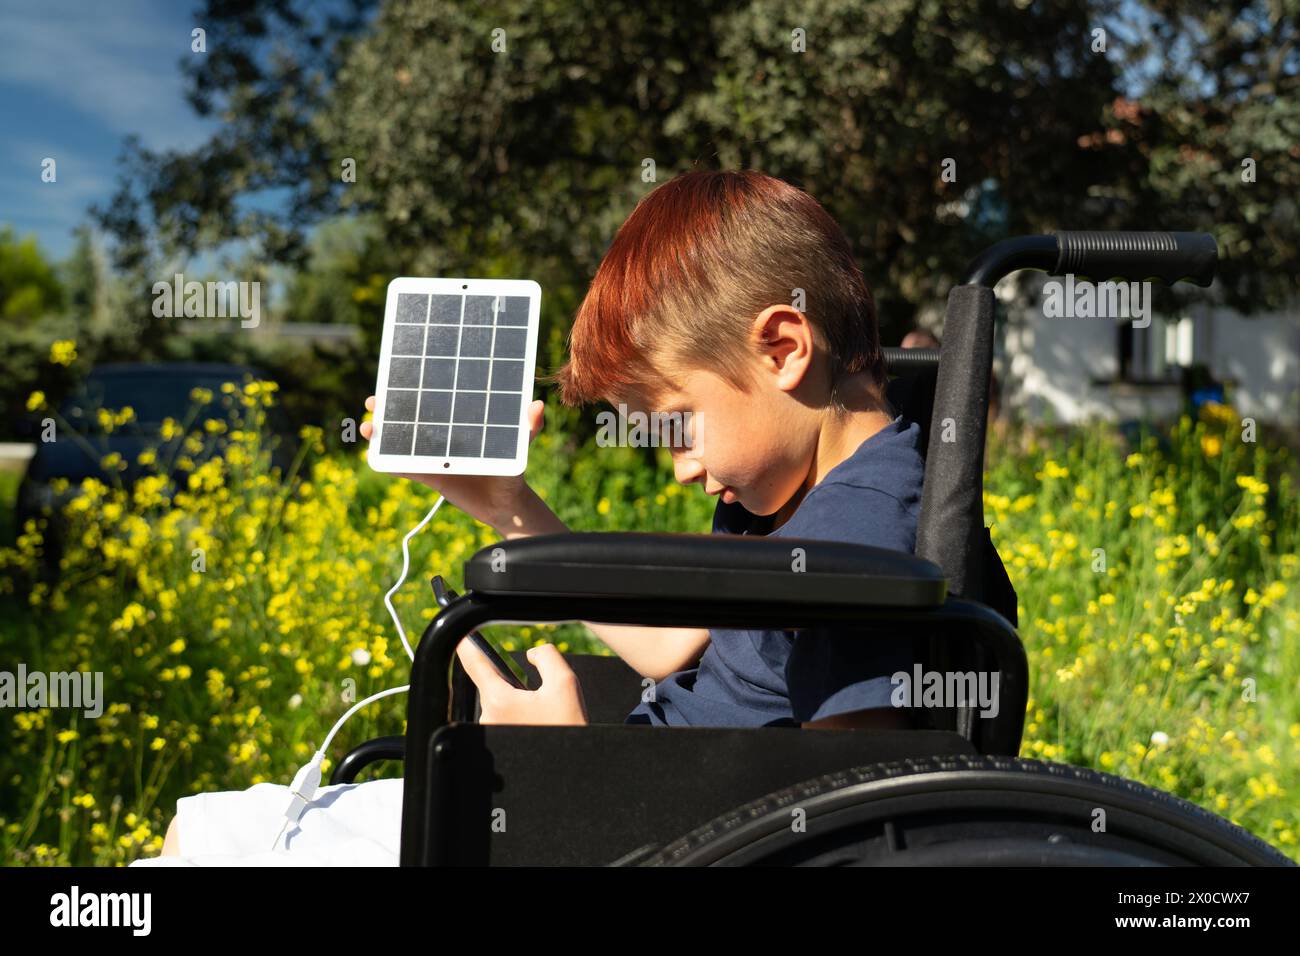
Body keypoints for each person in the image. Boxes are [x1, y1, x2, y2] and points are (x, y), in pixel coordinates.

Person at [136, 169, 927, 865]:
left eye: (678, 423)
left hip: (634, 827)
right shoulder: (796, 491)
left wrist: (573, 771)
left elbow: (840, 825)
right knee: (203, 831)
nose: (683, 466)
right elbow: (674, 647)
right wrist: (505, 504)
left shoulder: (857, 552)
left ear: (784, 347)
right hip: (634, 797)